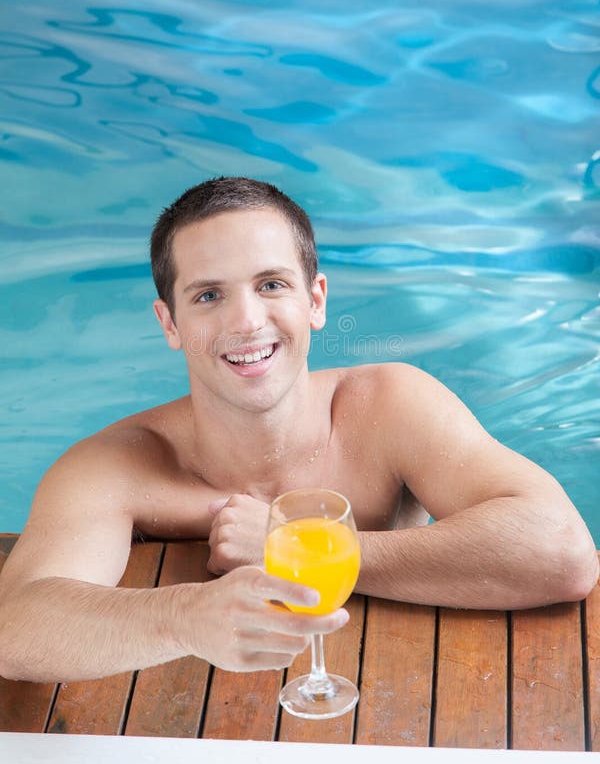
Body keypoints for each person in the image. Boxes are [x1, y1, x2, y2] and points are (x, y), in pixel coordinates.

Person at [0, 176, 597, 684]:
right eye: (208, 295)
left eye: (271, 285)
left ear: (315, 300)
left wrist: (305, 552)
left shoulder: (389, 405)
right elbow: (16, 628)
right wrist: (182, 615)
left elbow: (563, 553)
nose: (247, 321)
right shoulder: (115, 467)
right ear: (170, 322)